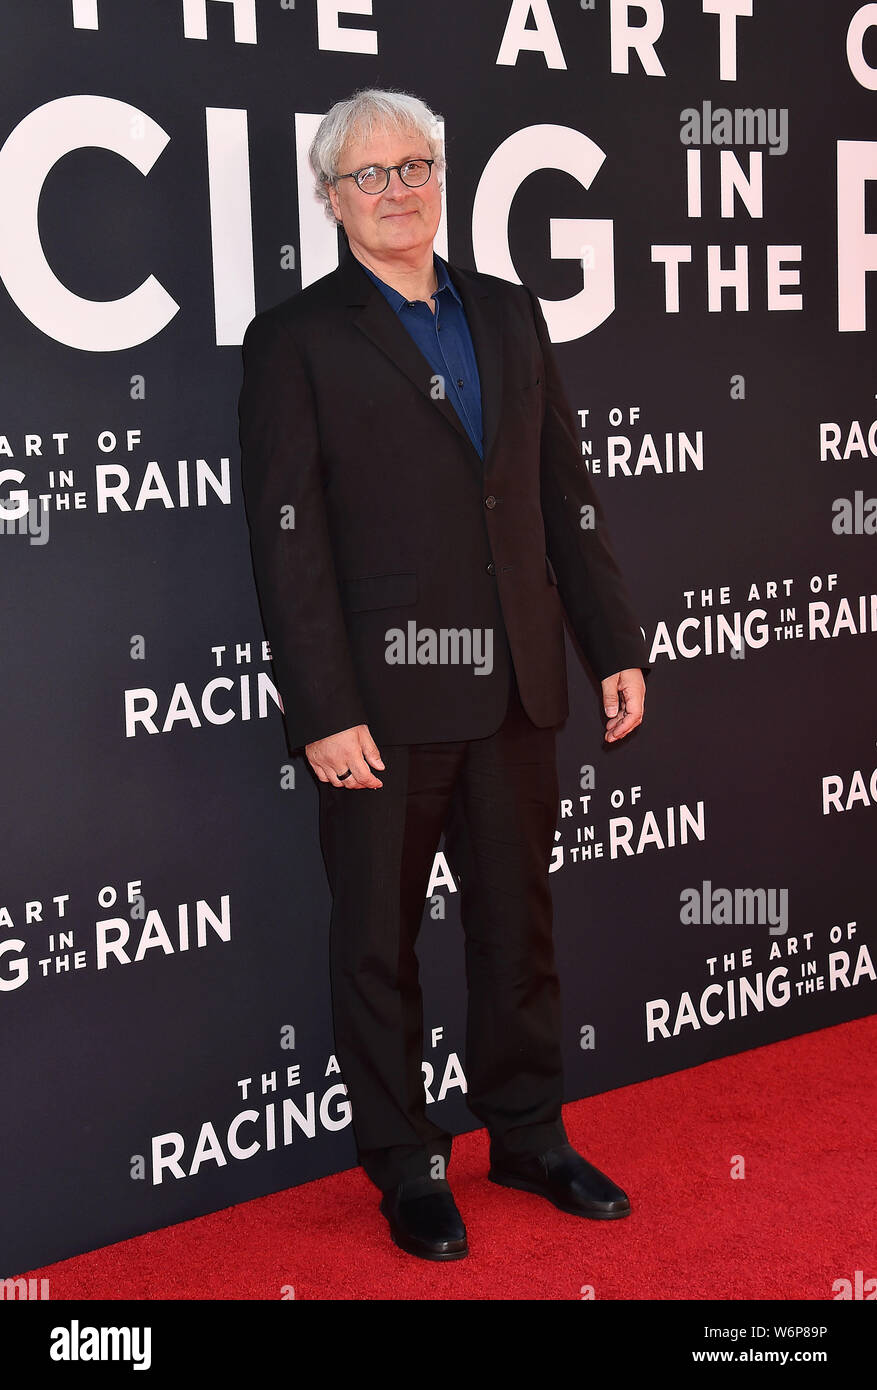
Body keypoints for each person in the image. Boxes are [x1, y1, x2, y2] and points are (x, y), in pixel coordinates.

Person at [238, 87, 649, 1262]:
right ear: (329, 197)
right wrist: (321, 706)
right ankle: (407, 1164)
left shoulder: (512, 316)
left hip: (517, 681)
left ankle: (526, 1134)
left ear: (440, 175)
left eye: (413, 166)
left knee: (519, 930)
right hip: (382, 705)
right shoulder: (297, 340)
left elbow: (562, 494)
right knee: (379, 940)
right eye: (368, 175)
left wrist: (611, 639)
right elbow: (285, 537)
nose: (396, 191)